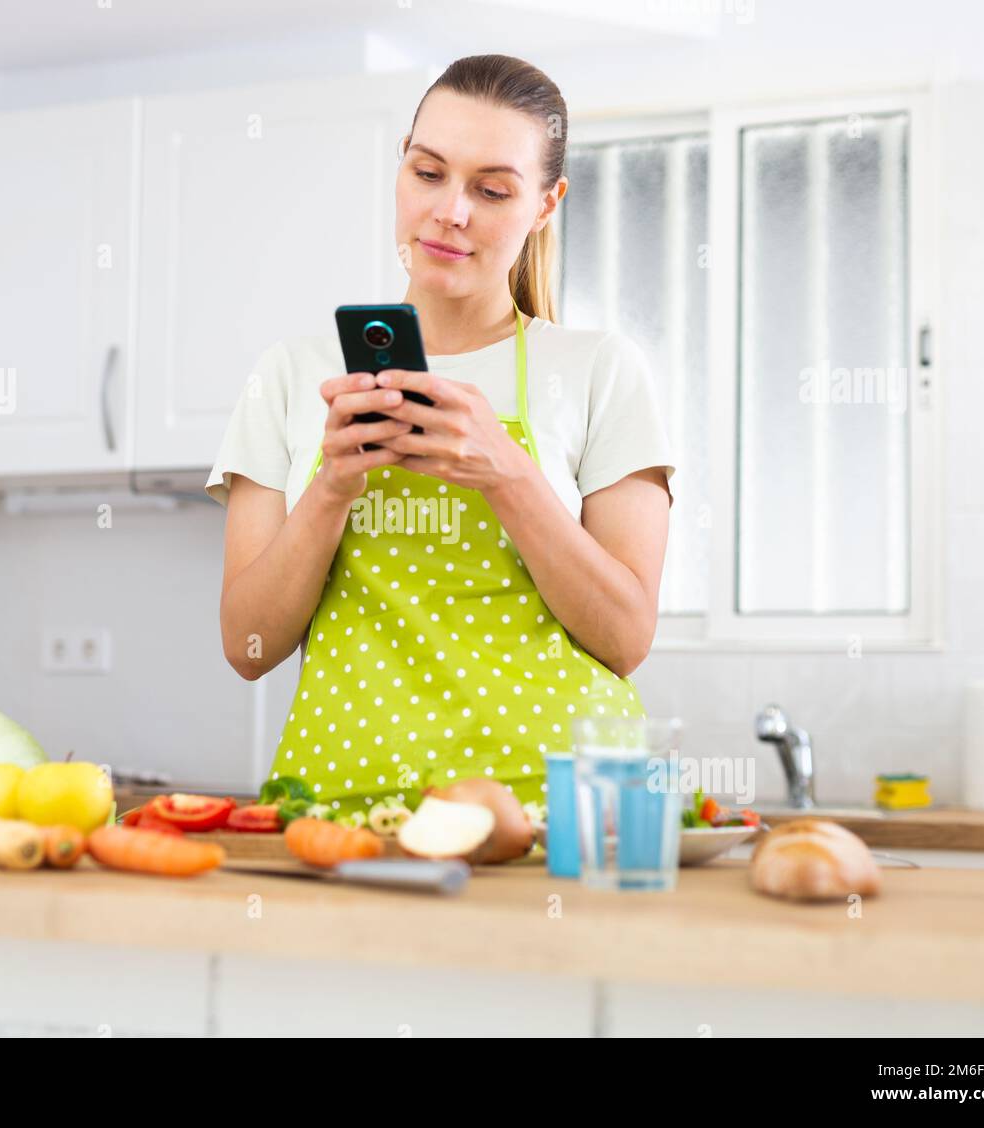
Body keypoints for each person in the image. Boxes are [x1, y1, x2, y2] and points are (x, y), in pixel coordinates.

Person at [206, 54, 675, 815]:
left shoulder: (600, 370)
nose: (451, 212)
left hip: (560, 811)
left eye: (492, 190)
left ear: (547, 204)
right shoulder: (292, 375)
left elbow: (624, 638)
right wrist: (332, 486)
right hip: (344, 805)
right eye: (428, 173)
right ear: (402, 168)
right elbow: (247, 647)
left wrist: (506, 471)